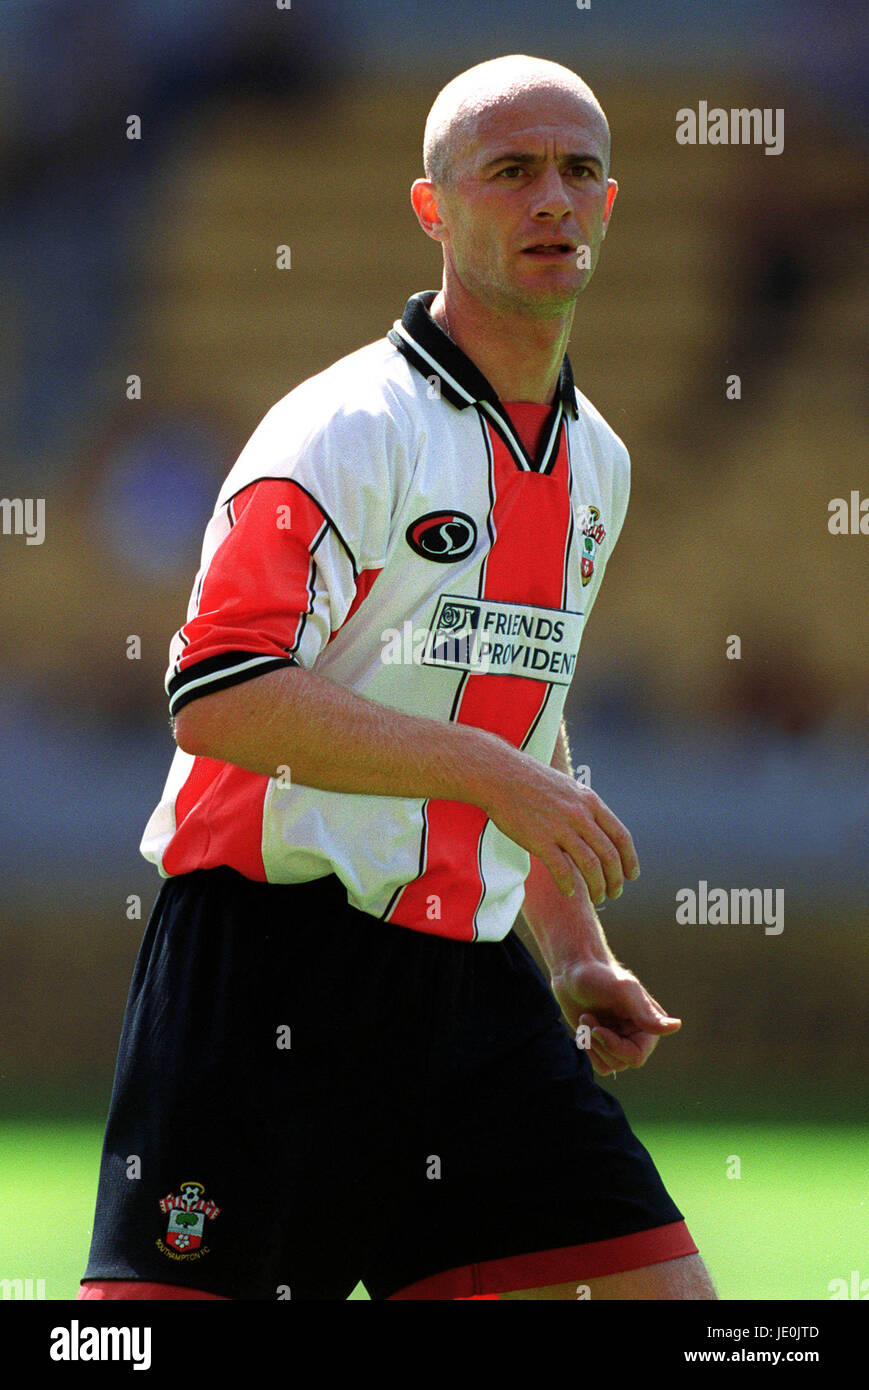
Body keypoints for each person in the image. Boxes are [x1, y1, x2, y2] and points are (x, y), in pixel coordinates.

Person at [79, 54, 716, 1301]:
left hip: (471, 989)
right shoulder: (346, 428)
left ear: (610, 206)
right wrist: (495, 777)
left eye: (578, 171)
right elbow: (215, 690)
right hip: (267, 970)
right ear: (433, 209)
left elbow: (513, 707)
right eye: (511, 171)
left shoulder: (598, 460)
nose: (551, 200)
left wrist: (573, 944)